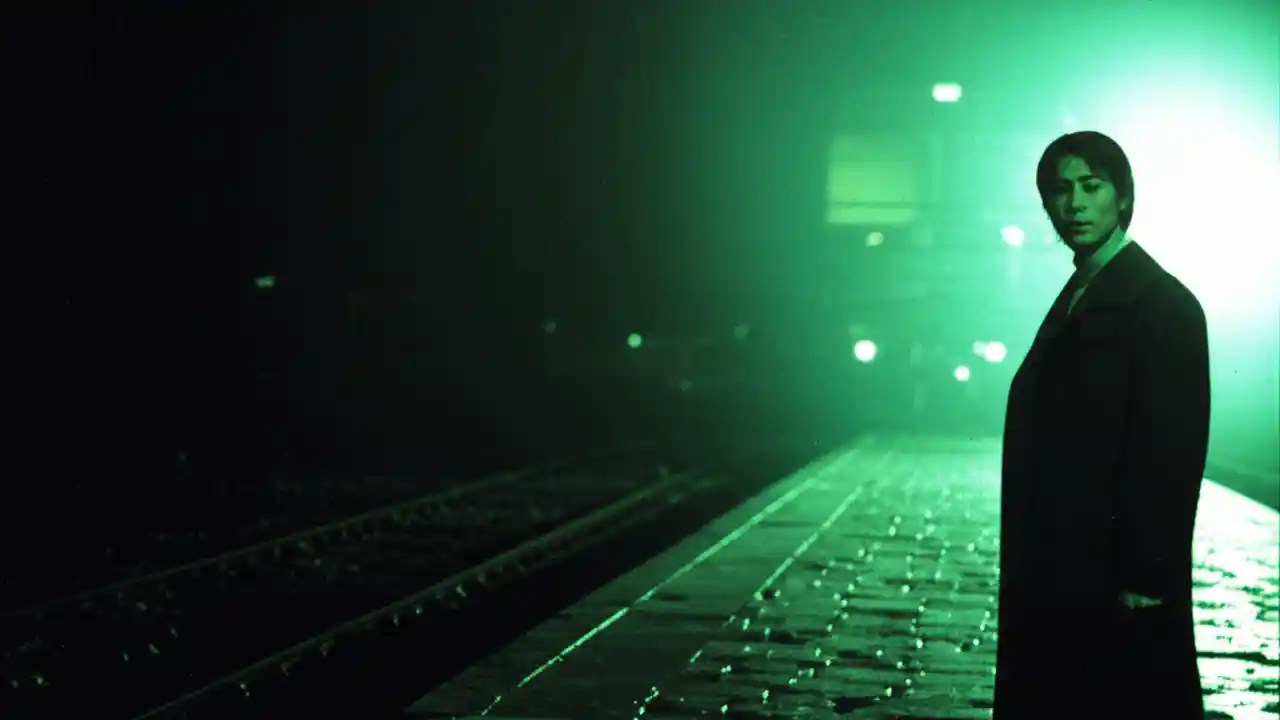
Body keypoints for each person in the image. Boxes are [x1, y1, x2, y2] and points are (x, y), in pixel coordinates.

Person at [994, 131, 1210, 719]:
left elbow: (1171, 451)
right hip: (1063, 572)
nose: (1076, 204)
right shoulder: (1081, 295)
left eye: (1092, 187)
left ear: (1123, 197)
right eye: (1060, 191)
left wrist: (1148, 573)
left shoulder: (1163, 306)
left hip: (1113, 580)